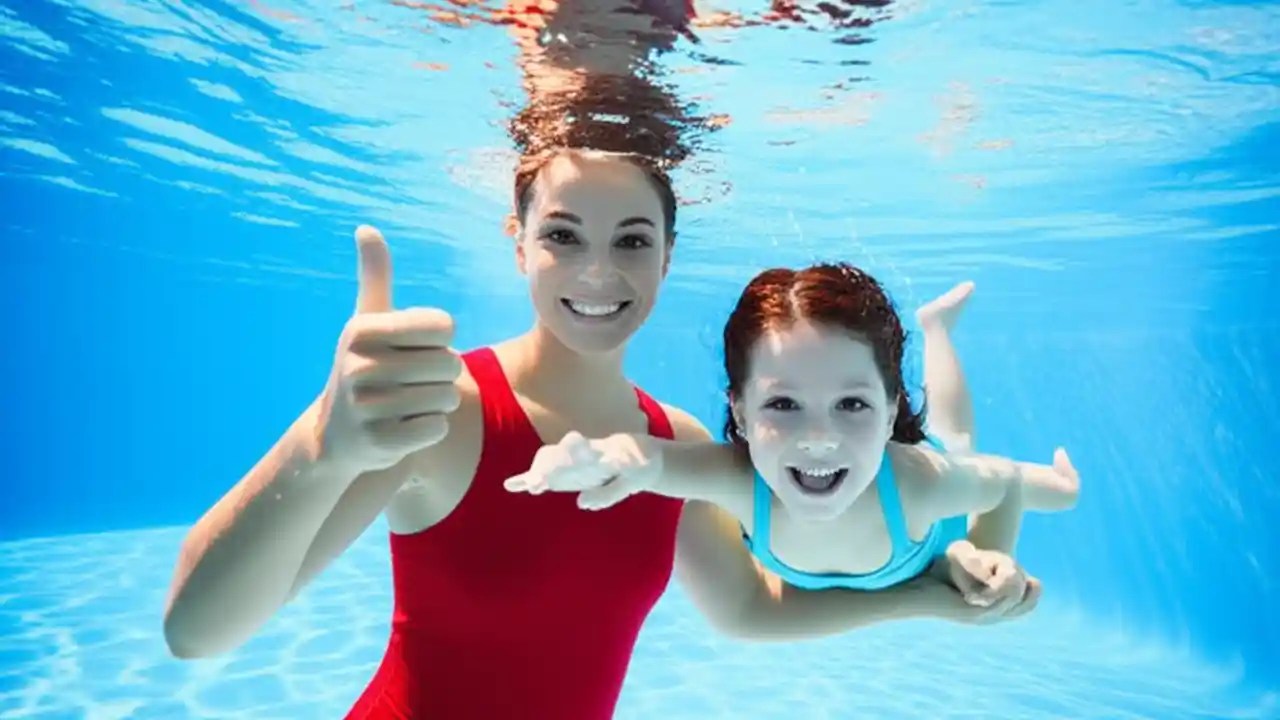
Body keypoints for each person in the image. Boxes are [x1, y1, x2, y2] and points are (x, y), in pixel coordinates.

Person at [161, 149, 1041, 719]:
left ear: (667, 254)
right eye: (562, 235)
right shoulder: (448, 406)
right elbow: (196, 633)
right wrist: (323, 445)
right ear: (518, 244)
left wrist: (926, 592)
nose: (595, 271)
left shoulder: (677, 442)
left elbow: (746, 607)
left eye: (631, 240)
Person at [506, 262, 1079, 592]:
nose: (818, 437)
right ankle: (931, 330)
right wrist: (603, 457)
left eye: (851, 405)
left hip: (926, 505)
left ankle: (938, 332)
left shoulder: (920, 486)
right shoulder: (738, 481)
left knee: (1003, 467)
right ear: (739, 415)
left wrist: (984, 554)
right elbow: (650, 459)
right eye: (783, 406)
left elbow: (1001, 481)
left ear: (887, 412)